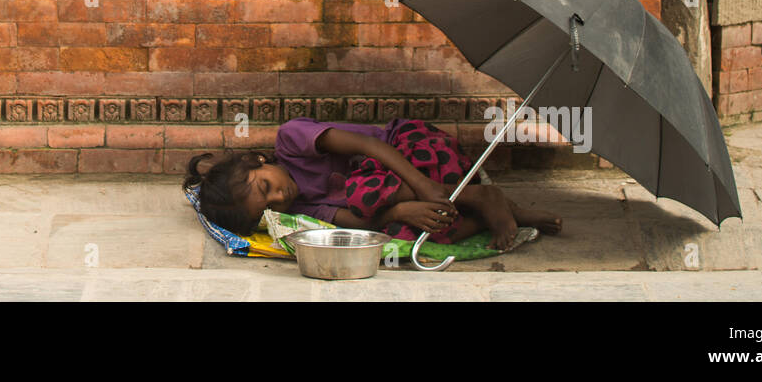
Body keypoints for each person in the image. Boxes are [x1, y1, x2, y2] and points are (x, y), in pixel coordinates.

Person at [183, 117, 563, 251]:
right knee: (399, 235)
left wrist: (423, 186)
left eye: (267, 186)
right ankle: (490, 211)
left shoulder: (292, 140)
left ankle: (477, 196)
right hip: (411, 192)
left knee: (363, 191)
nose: (281, 197)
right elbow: (360, 223)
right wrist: (403, 209)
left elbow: (369, 145)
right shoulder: (300, 209)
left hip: (415, 151)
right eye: (270, 208)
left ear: (259, 161)